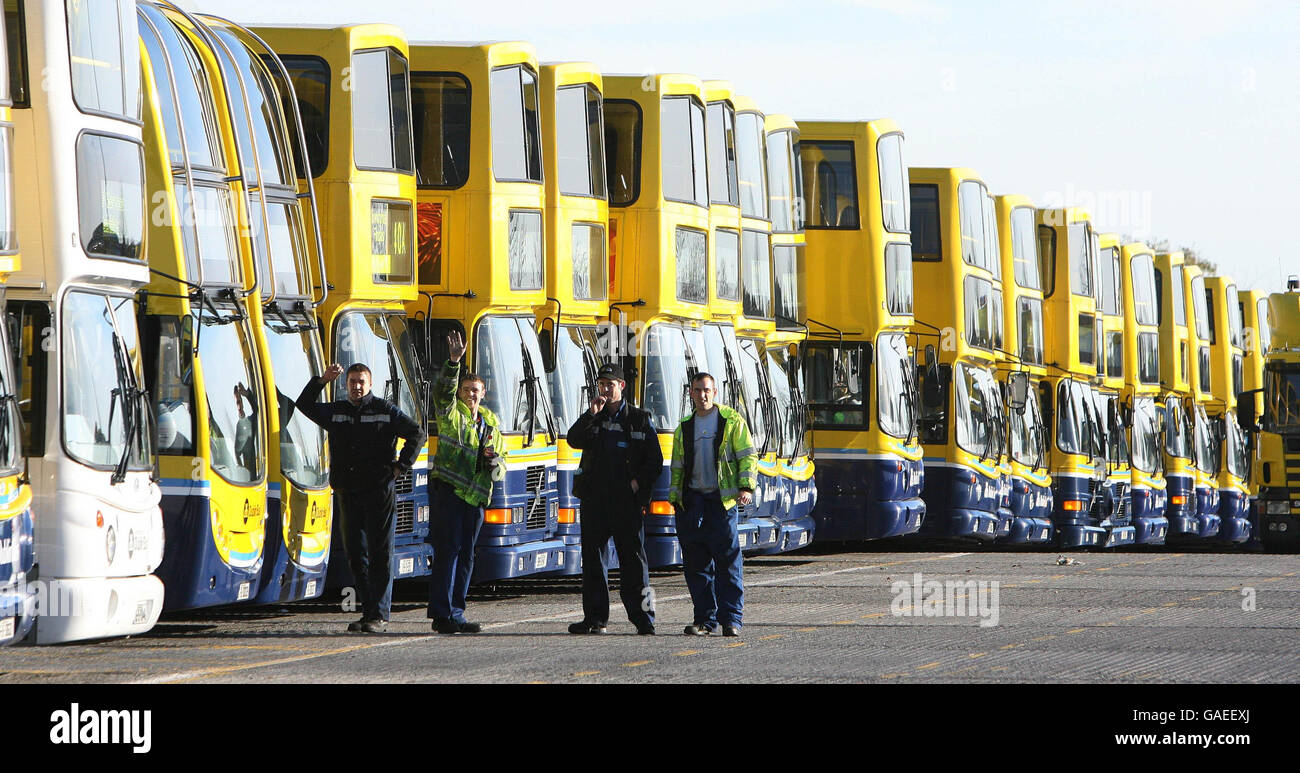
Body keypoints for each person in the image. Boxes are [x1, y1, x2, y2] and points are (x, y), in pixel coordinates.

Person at [296, 363, 425, 633]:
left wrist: (402, 465)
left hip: (379, 491)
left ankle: (379, 615)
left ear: (370, 383)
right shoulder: (338, 411)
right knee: (356, 555)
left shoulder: (384, 410)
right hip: (347, 491)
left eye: (361, 382)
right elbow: (304, 405)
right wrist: (321, 381)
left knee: (380, 554)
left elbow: (416, 433)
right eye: (352, 381)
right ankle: (368, 613)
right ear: (346, 384)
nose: (356, 386)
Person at [565, 364, 662, 635]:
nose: (606, 389)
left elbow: (655, 460)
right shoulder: (593, 417)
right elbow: (573, 439)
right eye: (602, 384)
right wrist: (590, 413)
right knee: (594, 562)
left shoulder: (640, 418)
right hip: (595, 500)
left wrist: (637, 484)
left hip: (626, 502)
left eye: (611, 384)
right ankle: (595, 619)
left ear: (622, 386)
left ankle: (645, 619)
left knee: (635, 562)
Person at [427, 330, 505, 634]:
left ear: (483, 393)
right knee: (449, 551)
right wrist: (454, 362)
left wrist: (493, 461)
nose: (471, 394)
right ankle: (442, 614)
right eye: (466, 389)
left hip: (477, 498)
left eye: (476, 390)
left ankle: (456, 612)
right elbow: (442, 393)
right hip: (450, 492)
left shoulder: (491, 423)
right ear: (460, 392)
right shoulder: (451, 414)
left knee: (467, 555)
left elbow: (502, 466)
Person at [669, 372, 757, 637]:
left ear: (715, 392)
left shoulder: (731, 421)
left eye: (707, 390)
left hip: (722, 504)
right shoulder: (684, 427)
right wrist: (676, 501)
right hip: (692, 505)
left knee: (728, 564)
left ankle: (731, 620)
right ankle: (704, 621)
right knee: (696, 567)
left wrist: (746, 488)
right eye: (697, 390)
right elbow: (677, 469)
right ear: (690, 393)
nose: (702, 395)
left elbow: (748, 456)